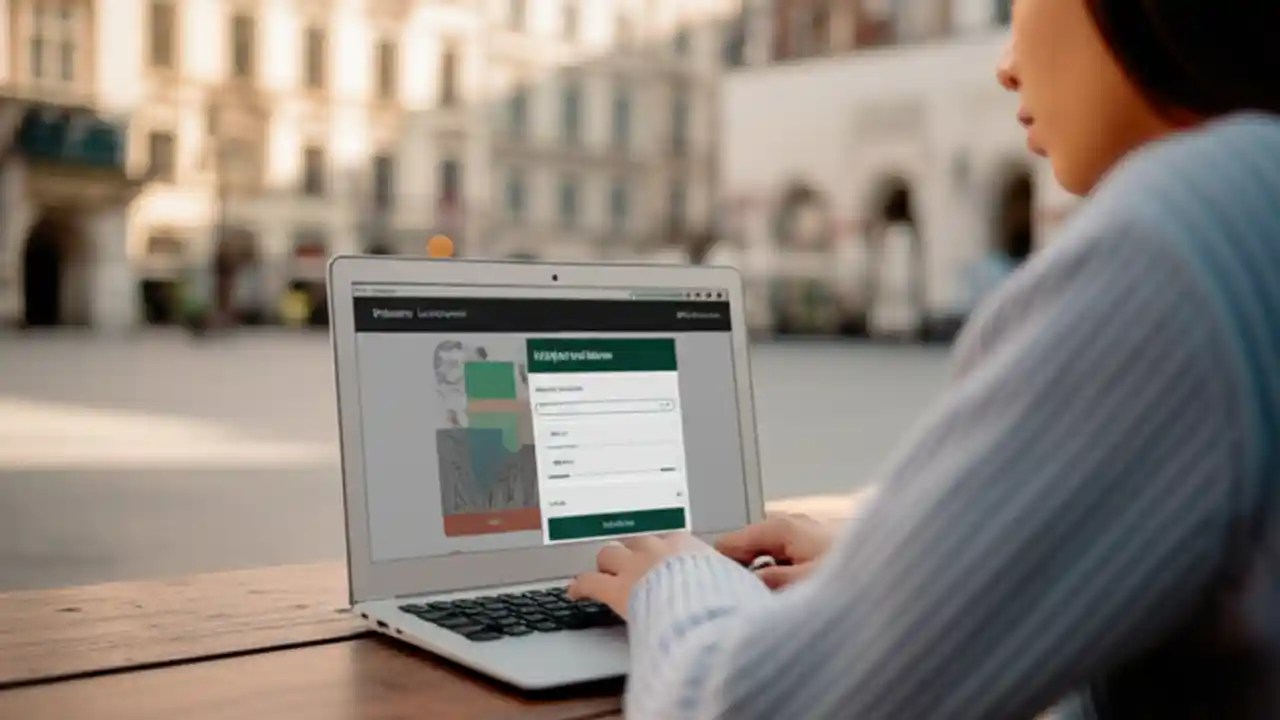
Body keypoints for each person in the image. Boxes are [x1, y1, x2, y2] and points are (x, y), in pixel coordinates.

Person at [567, 0, 1280, 717]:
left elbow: (748, 708)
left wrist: (682, 578)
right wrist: (905, 573)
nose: (1004, 66)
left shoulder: (1179, 245)